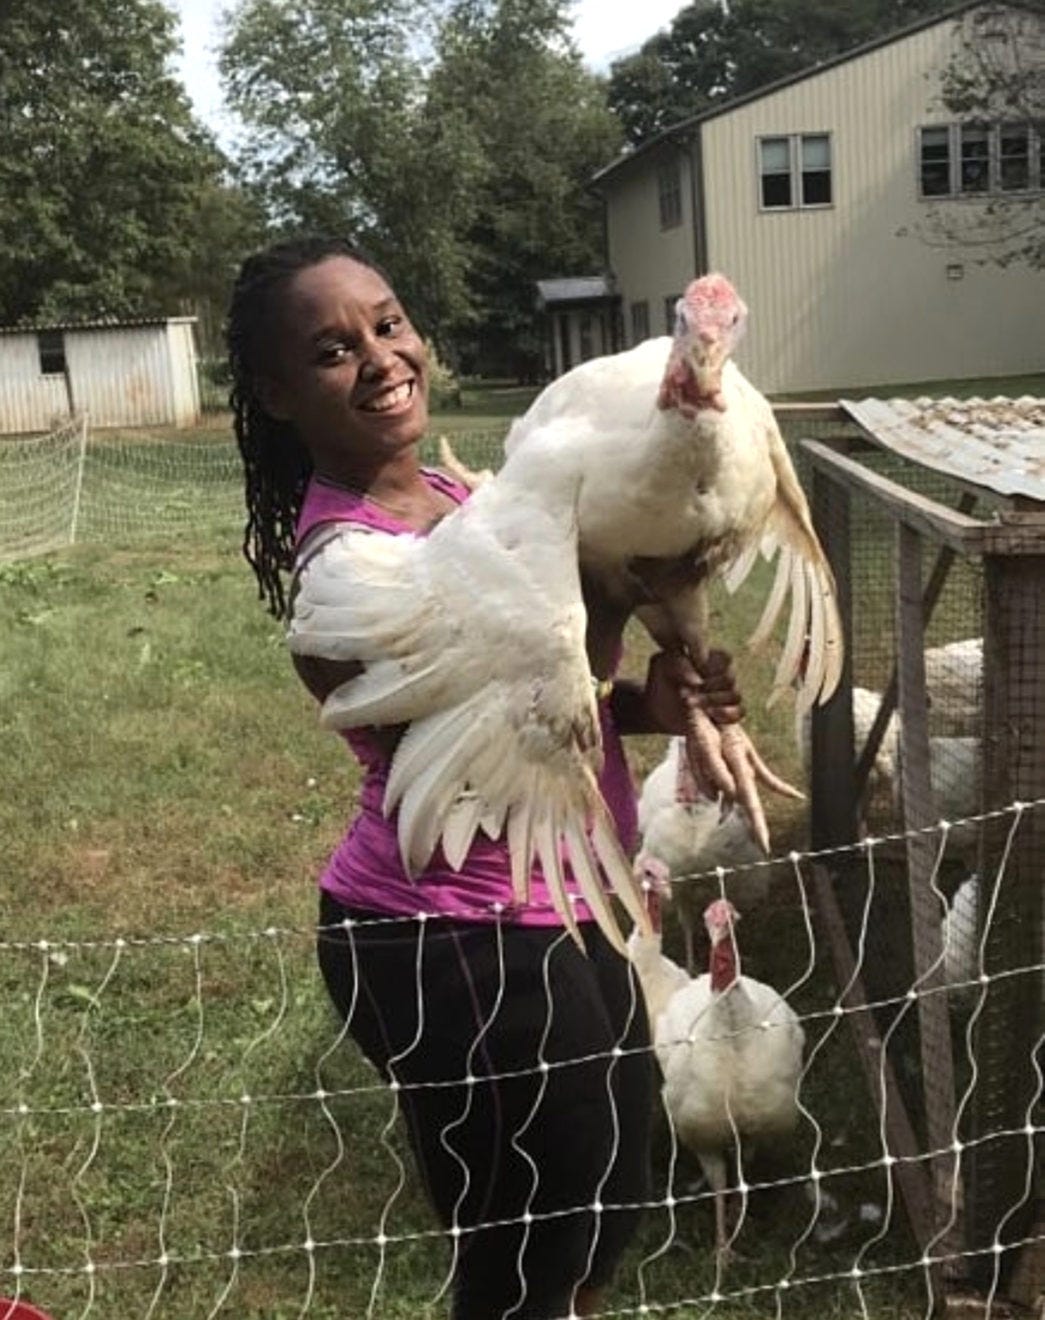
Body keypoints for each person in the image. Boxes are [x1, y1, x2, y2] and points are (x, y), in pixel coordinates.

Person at [227, 234, 742, 1320]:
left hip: (563, 908)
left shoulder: (468, 491)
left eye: (388, 321)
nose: (378, 356)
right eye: (330, 350)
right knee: (522, 1261)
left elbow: (568, 712)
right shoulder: (348, 576)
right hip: (453, 939)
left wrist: (660, 704)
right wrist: (615, 584)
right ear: (275, 394)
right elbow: (536, 685)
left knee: (603, 1208)